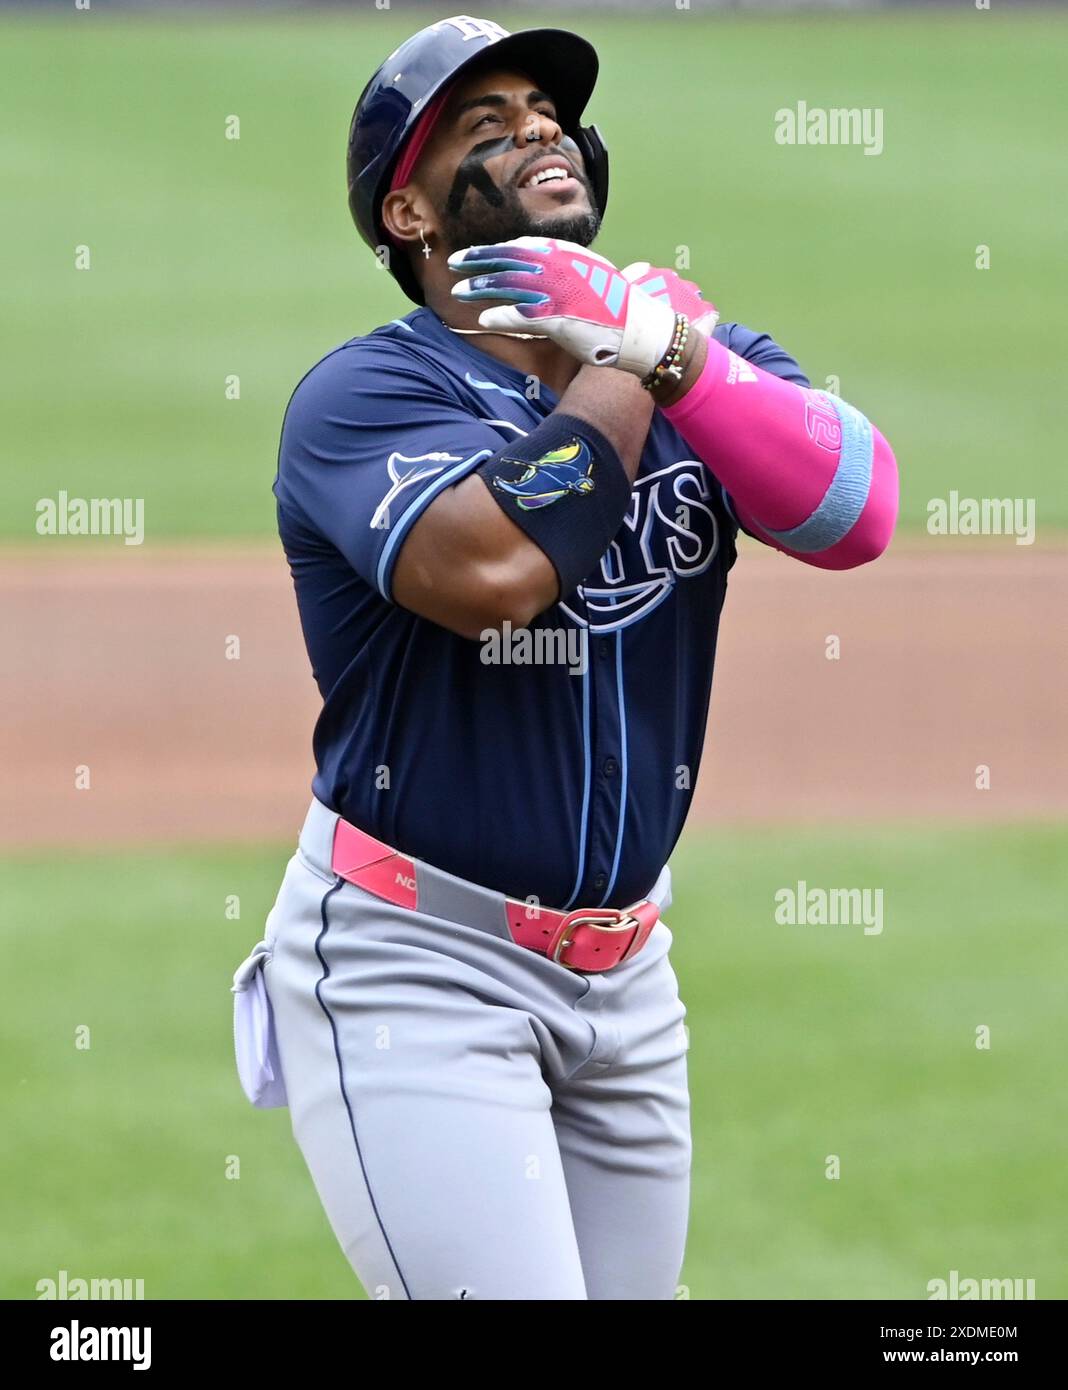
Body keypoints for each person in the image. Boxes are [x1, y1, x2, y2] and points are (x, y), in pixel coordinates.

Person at [231, 14, 898, 1301]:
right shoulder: (364, 400)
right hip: (417, 967)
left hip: (631, 977)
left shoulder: (698, 362)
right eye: (485, 127)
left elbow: (854, 512)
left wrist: (676, 357)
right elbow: (489, 571)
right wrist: (632, 356)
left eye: (545, 111)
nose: (535, 127)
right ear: (410, 217)